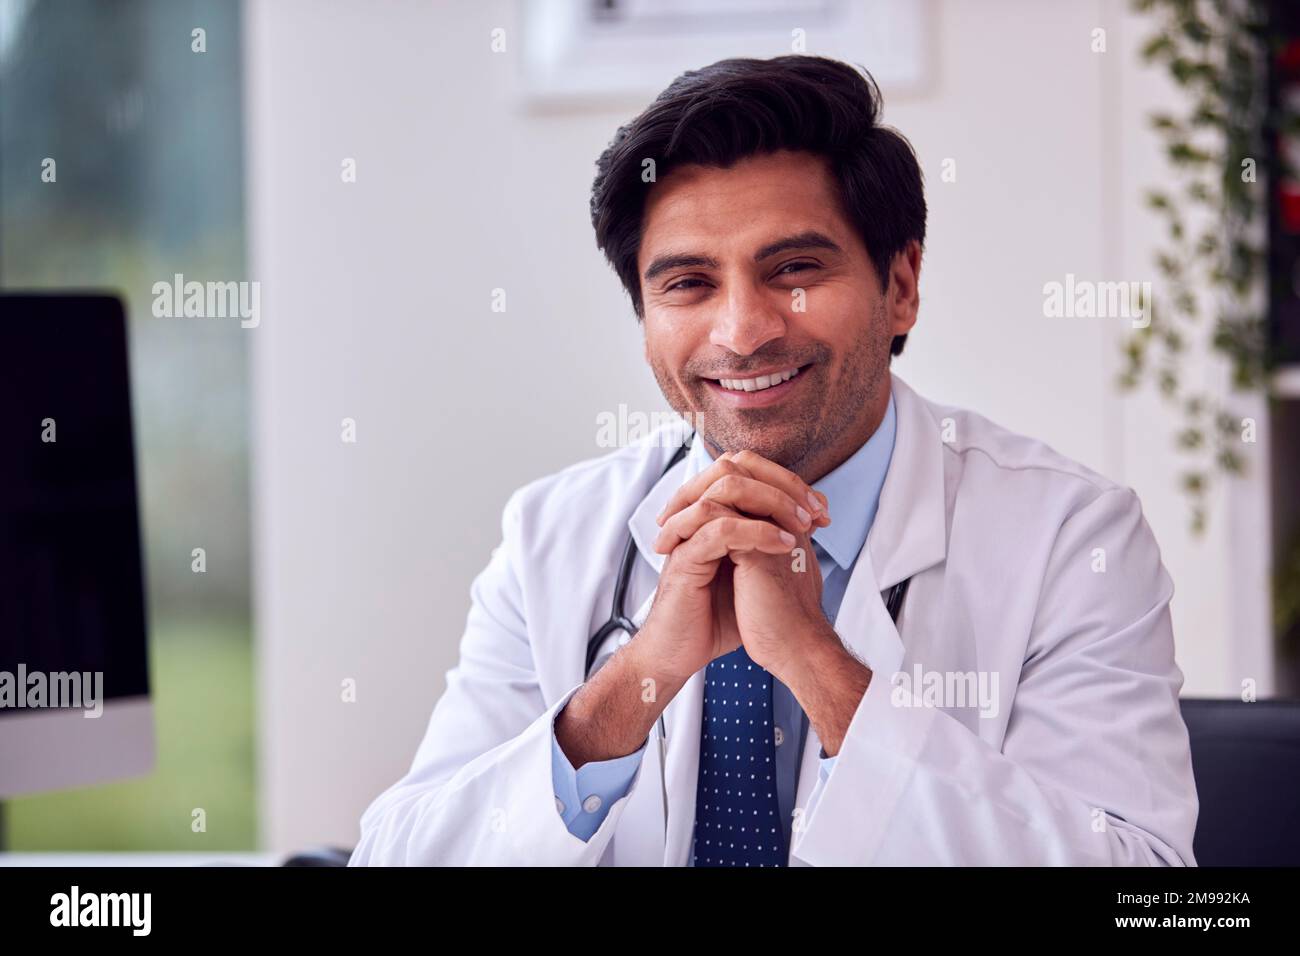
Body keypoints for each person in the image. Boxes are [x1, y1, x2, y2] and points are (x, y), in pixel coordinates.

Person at [349, 55, 1198, 866]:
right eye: (687, 284)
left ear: (900, 284)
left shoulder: (1070, 536)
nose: (743, 331)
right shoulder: (553, 535)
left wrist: (817, 664)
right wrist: (637, 682)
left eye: (793, 269)